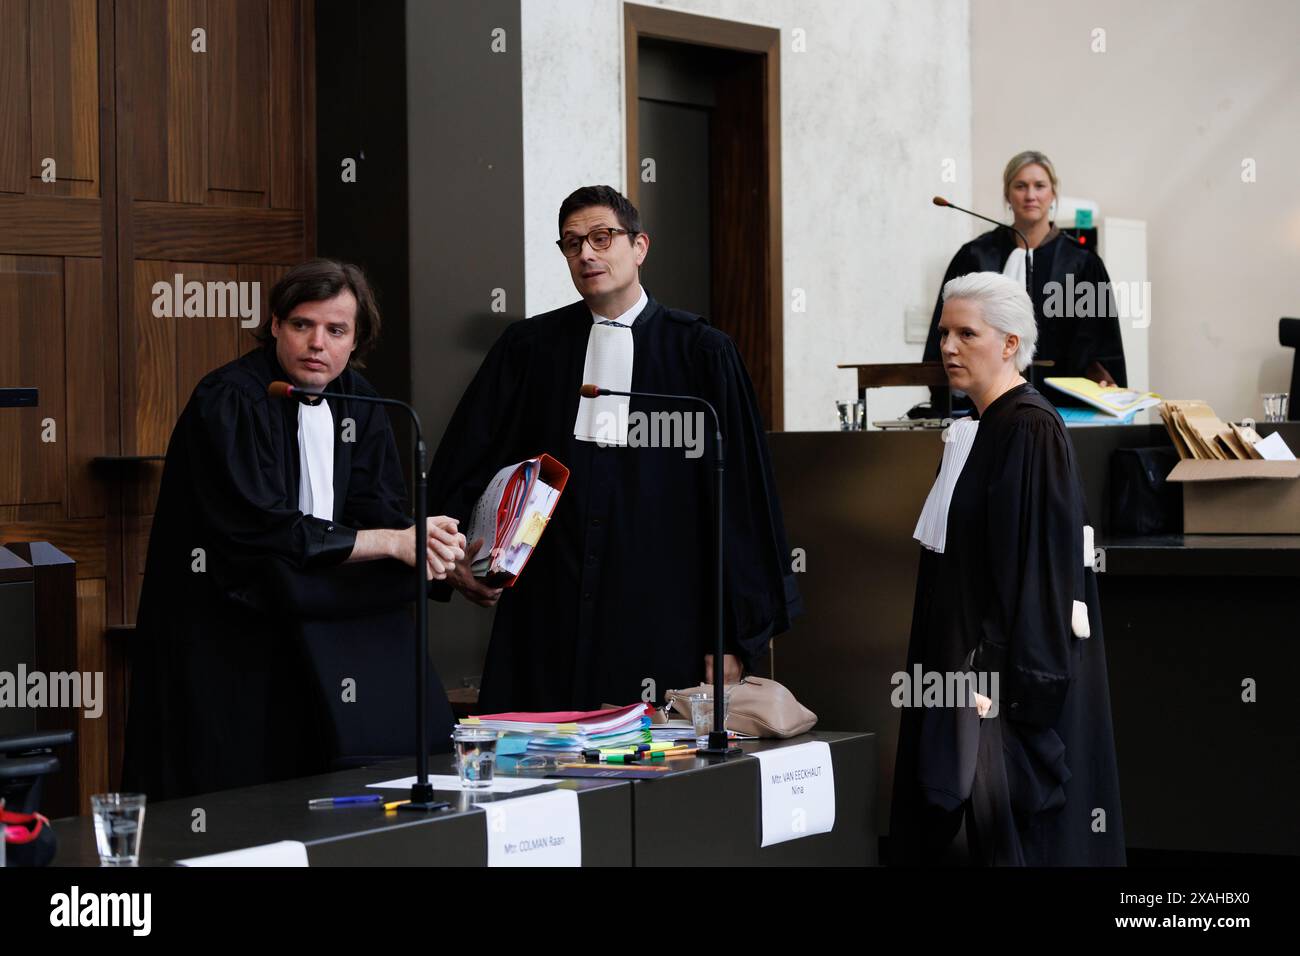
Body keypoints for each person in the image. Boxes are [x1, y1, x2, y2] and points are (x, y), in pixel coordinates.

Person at [428, 185, 801, 712]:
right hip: (546, 610)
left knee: (654, 774)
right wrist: (455, 556)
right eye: (573, 243)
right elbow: (466, 456)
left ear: (640, 246)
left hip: (661, 611)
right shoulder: (528, 349)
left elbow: (740, 501)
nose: (587, 253)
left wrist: (731, 636)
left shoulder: (701, 353)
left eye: (602, 237)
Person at [123, 259, 466, 800]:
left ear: (356, 340)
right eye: (303, 324)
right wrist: (394, 541)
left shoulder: (361, 399)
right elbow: (262, 528)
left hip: (309, 625)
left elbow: (379, 508)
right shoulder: (230, 398)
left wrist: (440, 552)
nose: (317, 343)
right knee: (235, 788)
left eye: (336, 331)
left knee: (324, 769)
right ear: (276, 325)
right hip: (225, 629)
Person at [891, 271, 1125, 866]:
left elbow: (1041, 569)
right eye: (944, 333)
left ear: (1010, 344)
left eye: (966, 334)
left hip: (1000, 683)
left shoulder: (1029, 428)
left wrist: (990, 678)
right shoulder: (988, 424)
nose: (947, 347)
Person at [923, 150, 1127, 411]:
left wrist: (1103, 382)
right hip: (984, 408)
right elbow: (944, 331)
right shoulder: (976, 256)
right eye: (1020, 186)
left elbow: (1102, 345)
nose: (1030, 195)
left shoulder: (1082, 263)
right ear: (1007, 194)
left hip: (1062, 408)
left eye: (1039, 186)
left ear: (1053, 194)